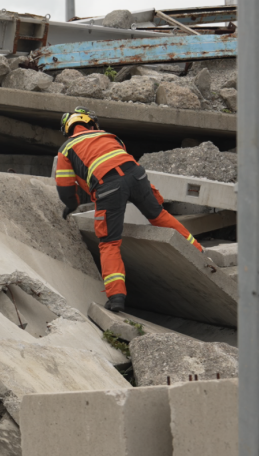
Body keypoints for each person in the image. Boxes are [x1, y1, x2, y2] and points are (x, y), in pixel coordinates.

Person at [55, 106, 204, 312]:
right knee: (159, 215)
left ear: (68, 129)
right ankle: (198, 250)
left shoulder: (66, 148)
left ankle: (116, 298)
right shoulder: (109, 136)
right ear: (90, 122)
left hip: (108, 187)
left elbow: (65, 185)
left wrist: (71, 204)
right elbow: (124, 162)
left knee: (109, 242)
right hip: (136, 176)